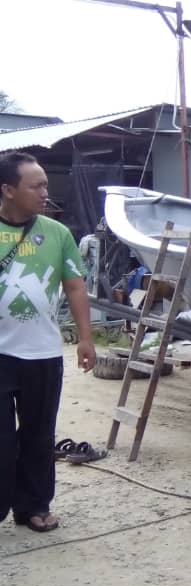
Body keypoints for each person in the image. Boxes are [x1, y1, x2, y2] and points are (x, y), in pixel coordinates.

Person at [0, 151, 96, 533]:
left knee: (39, 435)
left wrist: (86, 338)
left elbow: (75, 286)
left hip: (42, 353)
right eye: (35, 185)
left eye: (45, 184)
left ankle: (33, 506)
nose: (45, 192)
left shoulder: (57, 234)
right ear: (7, 189)